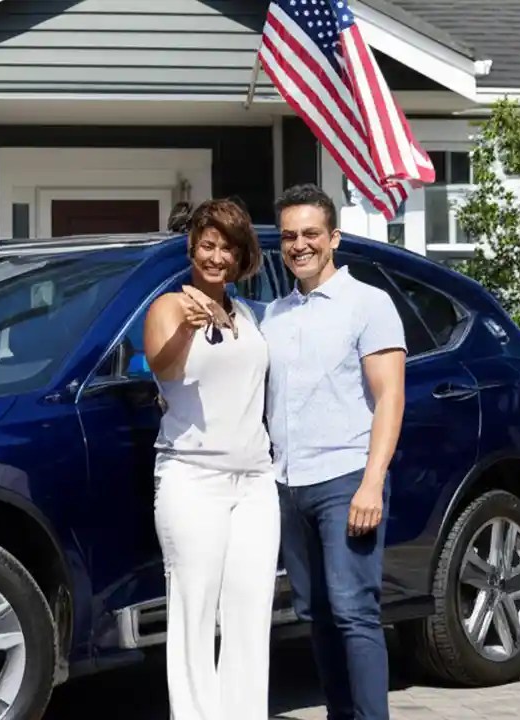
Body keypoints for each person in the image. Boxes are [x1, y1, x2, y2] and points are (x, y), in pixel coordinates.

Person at [261, 184, 407, 720]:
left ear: (334, 238)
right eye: (289, 236)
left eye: (311, 234)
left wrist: (372, 483)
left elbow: (390, 397)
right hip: (288, 484)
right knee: (315, 613)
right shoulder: (273, 315)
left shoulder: (368, 304)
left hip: (346, 479)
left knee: (353, 612)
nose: (299, 245)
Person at [142, 198, 280, 720]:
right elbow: (165, 369)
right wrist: (186, 330)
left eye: (227, 247)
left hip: (255, 480)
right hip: (193, 477)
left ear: (241, 255)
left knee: (250, 610)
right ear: (191, 247)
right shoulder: (170, 307)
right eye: (208, 245)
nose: (217, 256)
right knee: (194, 609)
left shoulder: (246, 313)